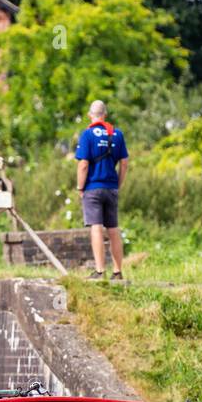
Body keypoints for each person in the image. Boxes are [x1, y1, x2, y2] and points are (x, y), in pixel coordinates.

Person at [75, 99, 129, 282]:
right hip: (111, 187)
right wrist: (118, 183)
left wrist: (80, 187)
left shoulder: (87, 134)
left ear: (91, 115)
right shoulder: (117, 134)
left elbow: (83, 164)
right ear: (105, 115)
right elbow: (124, 162)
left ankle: (99, 271)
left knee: (96, 228)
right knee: (113, 229)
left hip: (92, 188)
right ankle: (117, 271)